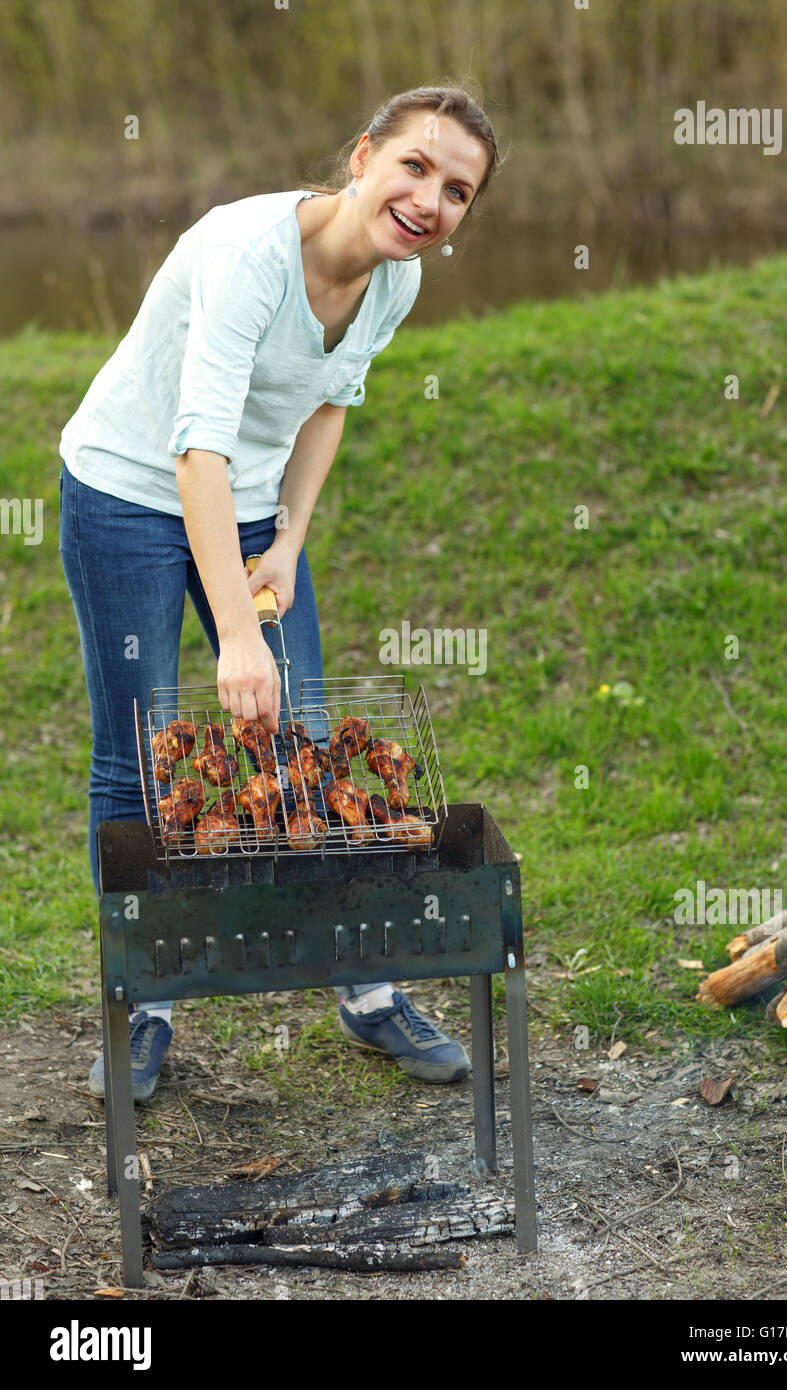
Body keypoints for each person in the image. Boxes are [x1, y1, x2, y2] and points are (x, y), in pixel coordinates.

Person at [58, 85, 501, 1102]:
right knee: (135, 754)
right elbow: (194, 449)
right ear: (362, 158)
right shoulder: (247, 252)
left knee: (303, 737)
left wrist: (290, 540)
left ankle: (367, 990)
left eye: (457, 190)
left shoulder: (394, 281)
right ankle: (145, 1003)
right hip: (127, 488)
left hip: (251, 502)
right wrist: (235, 639)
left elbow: (326, 408)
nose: (431, 200)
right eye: (416, 167)